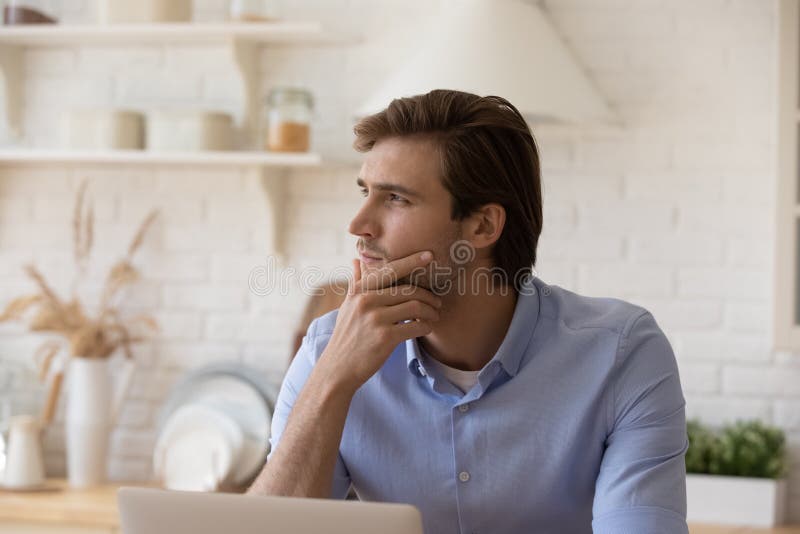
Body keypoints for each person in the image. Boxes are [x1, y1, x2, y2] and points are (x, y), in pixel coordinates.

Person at [248, 89, 689, 534]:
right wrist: (331, 379)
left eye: (396, 198)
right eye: (365, 192)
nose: (359, 225)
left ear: (482, 225)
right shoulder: (330, 349)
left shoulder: (622, 355)